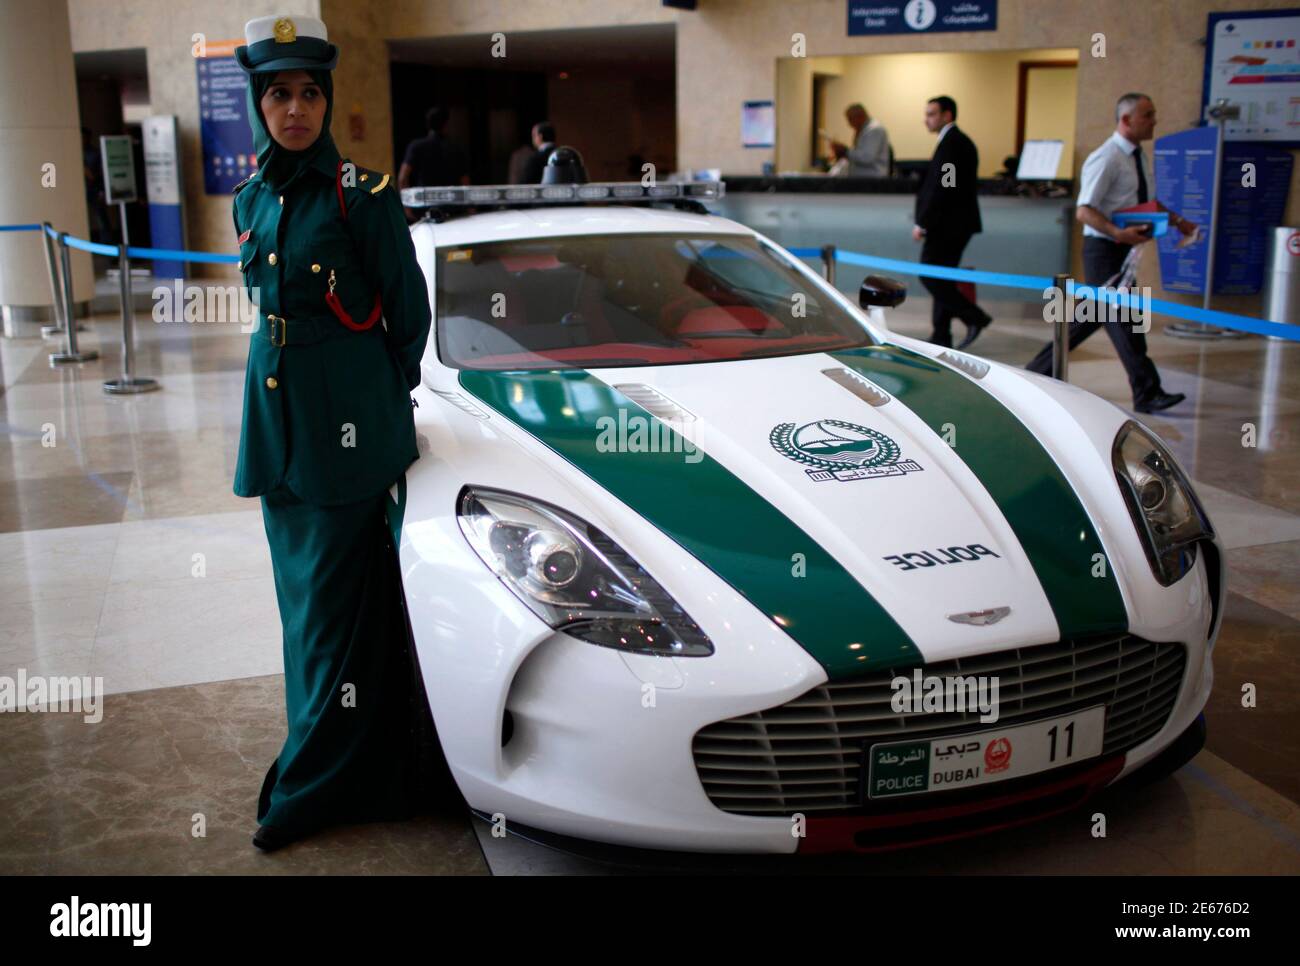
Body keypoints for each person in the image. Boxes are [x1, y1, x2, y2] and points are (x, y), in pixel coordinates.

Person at [231, 13, 433, 852]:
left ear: (327, 101)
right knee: (302, 607)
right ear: (259, 103)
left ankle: (315, 785)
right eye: (278, 93)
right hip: (277, 428)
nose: (295, 108)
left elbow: (407, 315)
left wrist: (378, 410)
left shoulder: (365, 195)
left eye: (310, 92)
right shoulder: (250, 198)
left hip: (346, 431)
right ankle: (313, 755)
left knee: (337, 613)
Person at [1025, 92, 1197, 414]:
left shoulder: (1136, 156)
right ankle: (1035, 374)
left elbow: (1145, 202)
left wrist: (1178, 221)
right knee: (1113, 316)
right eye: (1148, 115)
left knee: (1109, 316)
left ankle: (1145, 390)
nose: (1154, 120)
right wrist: (1119, 233)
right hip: (1104, 249)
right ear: (1126, 120)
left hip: (1123, 249)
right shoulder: (1106, 158)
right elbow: (1084, 211)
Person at [912, 96, 992, 350]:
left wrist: (924, 222)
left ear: (947, 115)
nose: (927, 119)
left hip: (948, 225)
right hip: (951, 223)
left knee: (930, 275)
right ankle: (941, 334)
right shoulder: (951, 142)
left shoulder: (954, 144)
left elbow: (944, 188)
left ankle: (974, 317)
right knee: (941, 277)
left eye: (932, 114)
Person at [398, 105, 469, 189]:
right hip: (450, 199)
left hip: (423, 200)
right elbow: (465, 183)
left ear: (428, 124)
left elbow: (402, 179)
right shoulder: (456, 149)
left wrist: (405, 200)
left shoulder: (416, 146)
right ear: (446, 124)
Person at [830, 103, 891, 178]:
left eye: (850, 119)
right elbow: (860, 155)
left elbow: (867, 157)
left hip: (872, 180)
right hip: (863, 178)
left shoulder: (874, 130)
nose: (849, 124)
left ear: (860, 116)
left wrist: (845, 151)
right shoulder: (863, 130)